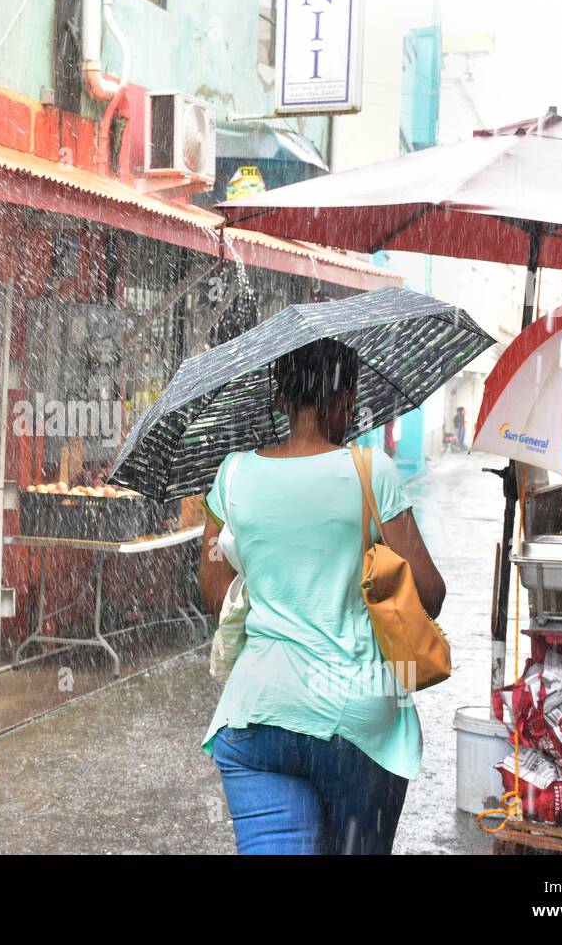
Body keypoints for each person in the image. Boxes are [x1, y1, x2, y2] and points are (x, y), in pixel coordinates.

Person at [197, 338, 446, 855]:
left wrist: (266, 584)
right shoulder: (369, 470)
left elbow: (212, 587)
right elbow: (430, 594)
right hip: (354, 718)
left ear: (281, 399)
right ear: (344, 401)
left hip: (257, 714)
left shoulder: (233, 474)